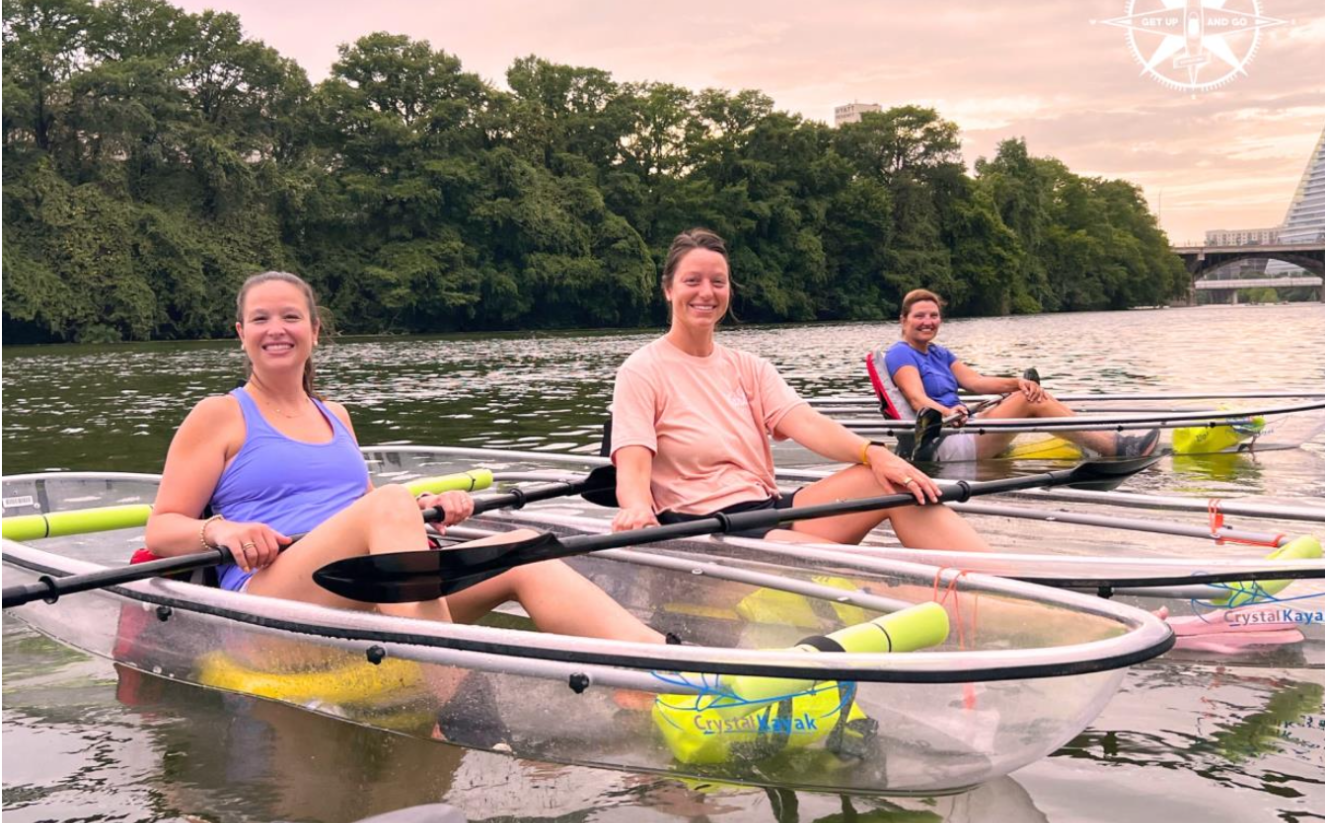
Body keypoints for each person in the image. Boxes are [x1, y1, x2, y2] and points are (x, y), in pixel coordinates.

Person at [146, 270, 660, 644]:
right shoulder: (218, 414)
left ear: (315, 330)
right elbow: (161, 528)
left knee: (523, 549)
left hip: (370, 588)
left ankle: (667, 669)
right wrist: (221, 531)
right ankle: (444, 688)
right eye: (260, 318)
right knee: (392, 502)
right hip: (269, 596)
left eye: (290, 316)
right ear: (242, 334)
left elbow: (363, 510)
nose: (275, 328)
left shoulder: (336, 416)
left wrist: (428, 508)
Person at [609, 230, 989, 551]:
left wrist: (875, 454)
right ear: (668, 290)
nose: (706, 292)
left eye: (718, 282)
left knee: (890, 479)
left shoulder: (749, 367)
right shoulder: (642, 370)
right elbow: (633, 464)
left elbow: (807, 423)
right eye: (692, 281)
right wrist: (638, 508)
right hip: (702, 525)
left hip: (767, 508)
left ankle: (1007, 577)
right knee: (845, 565)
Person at [885, 289, 1154, 460]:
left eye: (934, 315)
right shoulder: (901, 354)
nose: (928, 322)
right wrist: (948, 413)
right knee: (1028, 400)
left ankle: (1099, 440)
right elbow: (918, 400)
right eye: (920, 316)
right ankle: (1116, 448)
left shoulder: (938, 353)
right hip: (941, 440)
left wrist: (1018, 382)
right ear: (903, 319)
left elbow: (976, 382)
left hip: (964, 424)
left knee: (1029, 392)